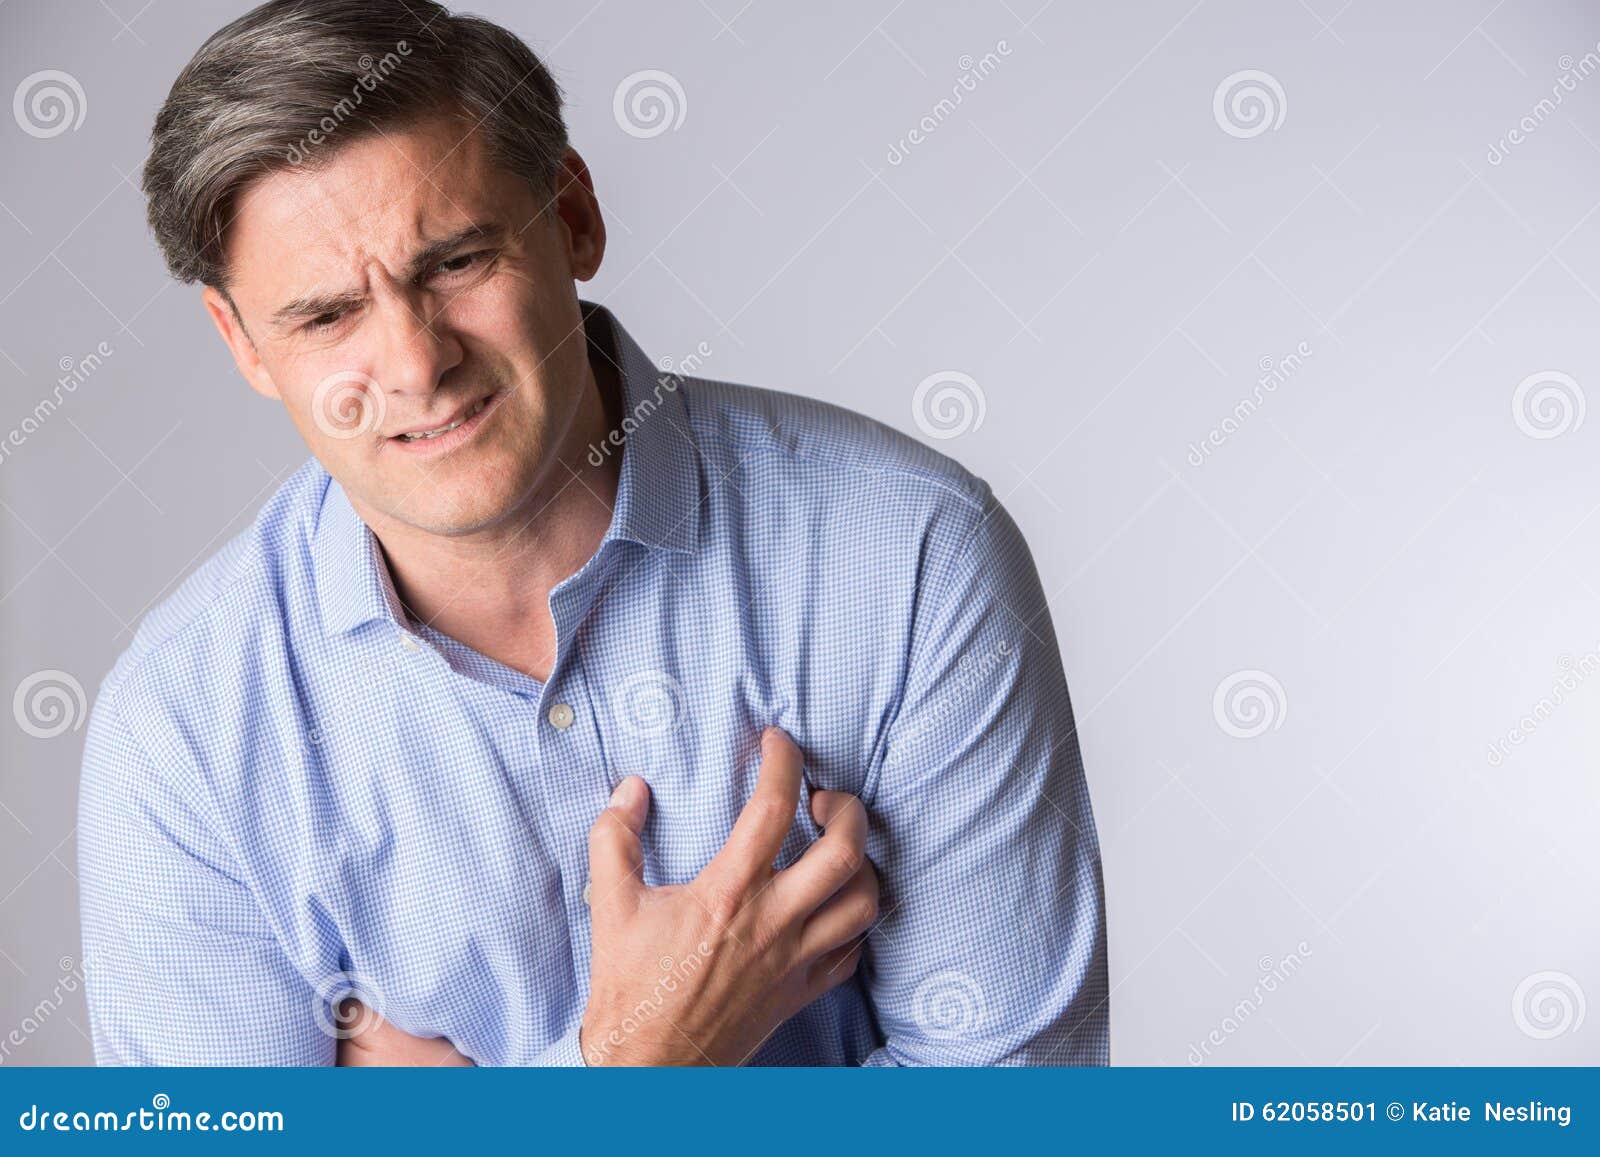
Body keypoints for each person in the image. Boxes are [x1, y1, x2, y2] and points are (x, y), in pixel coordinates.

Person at [78, 0, 1108, 1066]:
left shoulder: (909, 555)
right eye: (325, 315)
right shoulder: (182, 729)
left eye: (456, 263)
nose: (417, 363)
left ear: (572, 216)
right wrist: (637, 1062)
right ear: (242, 341)